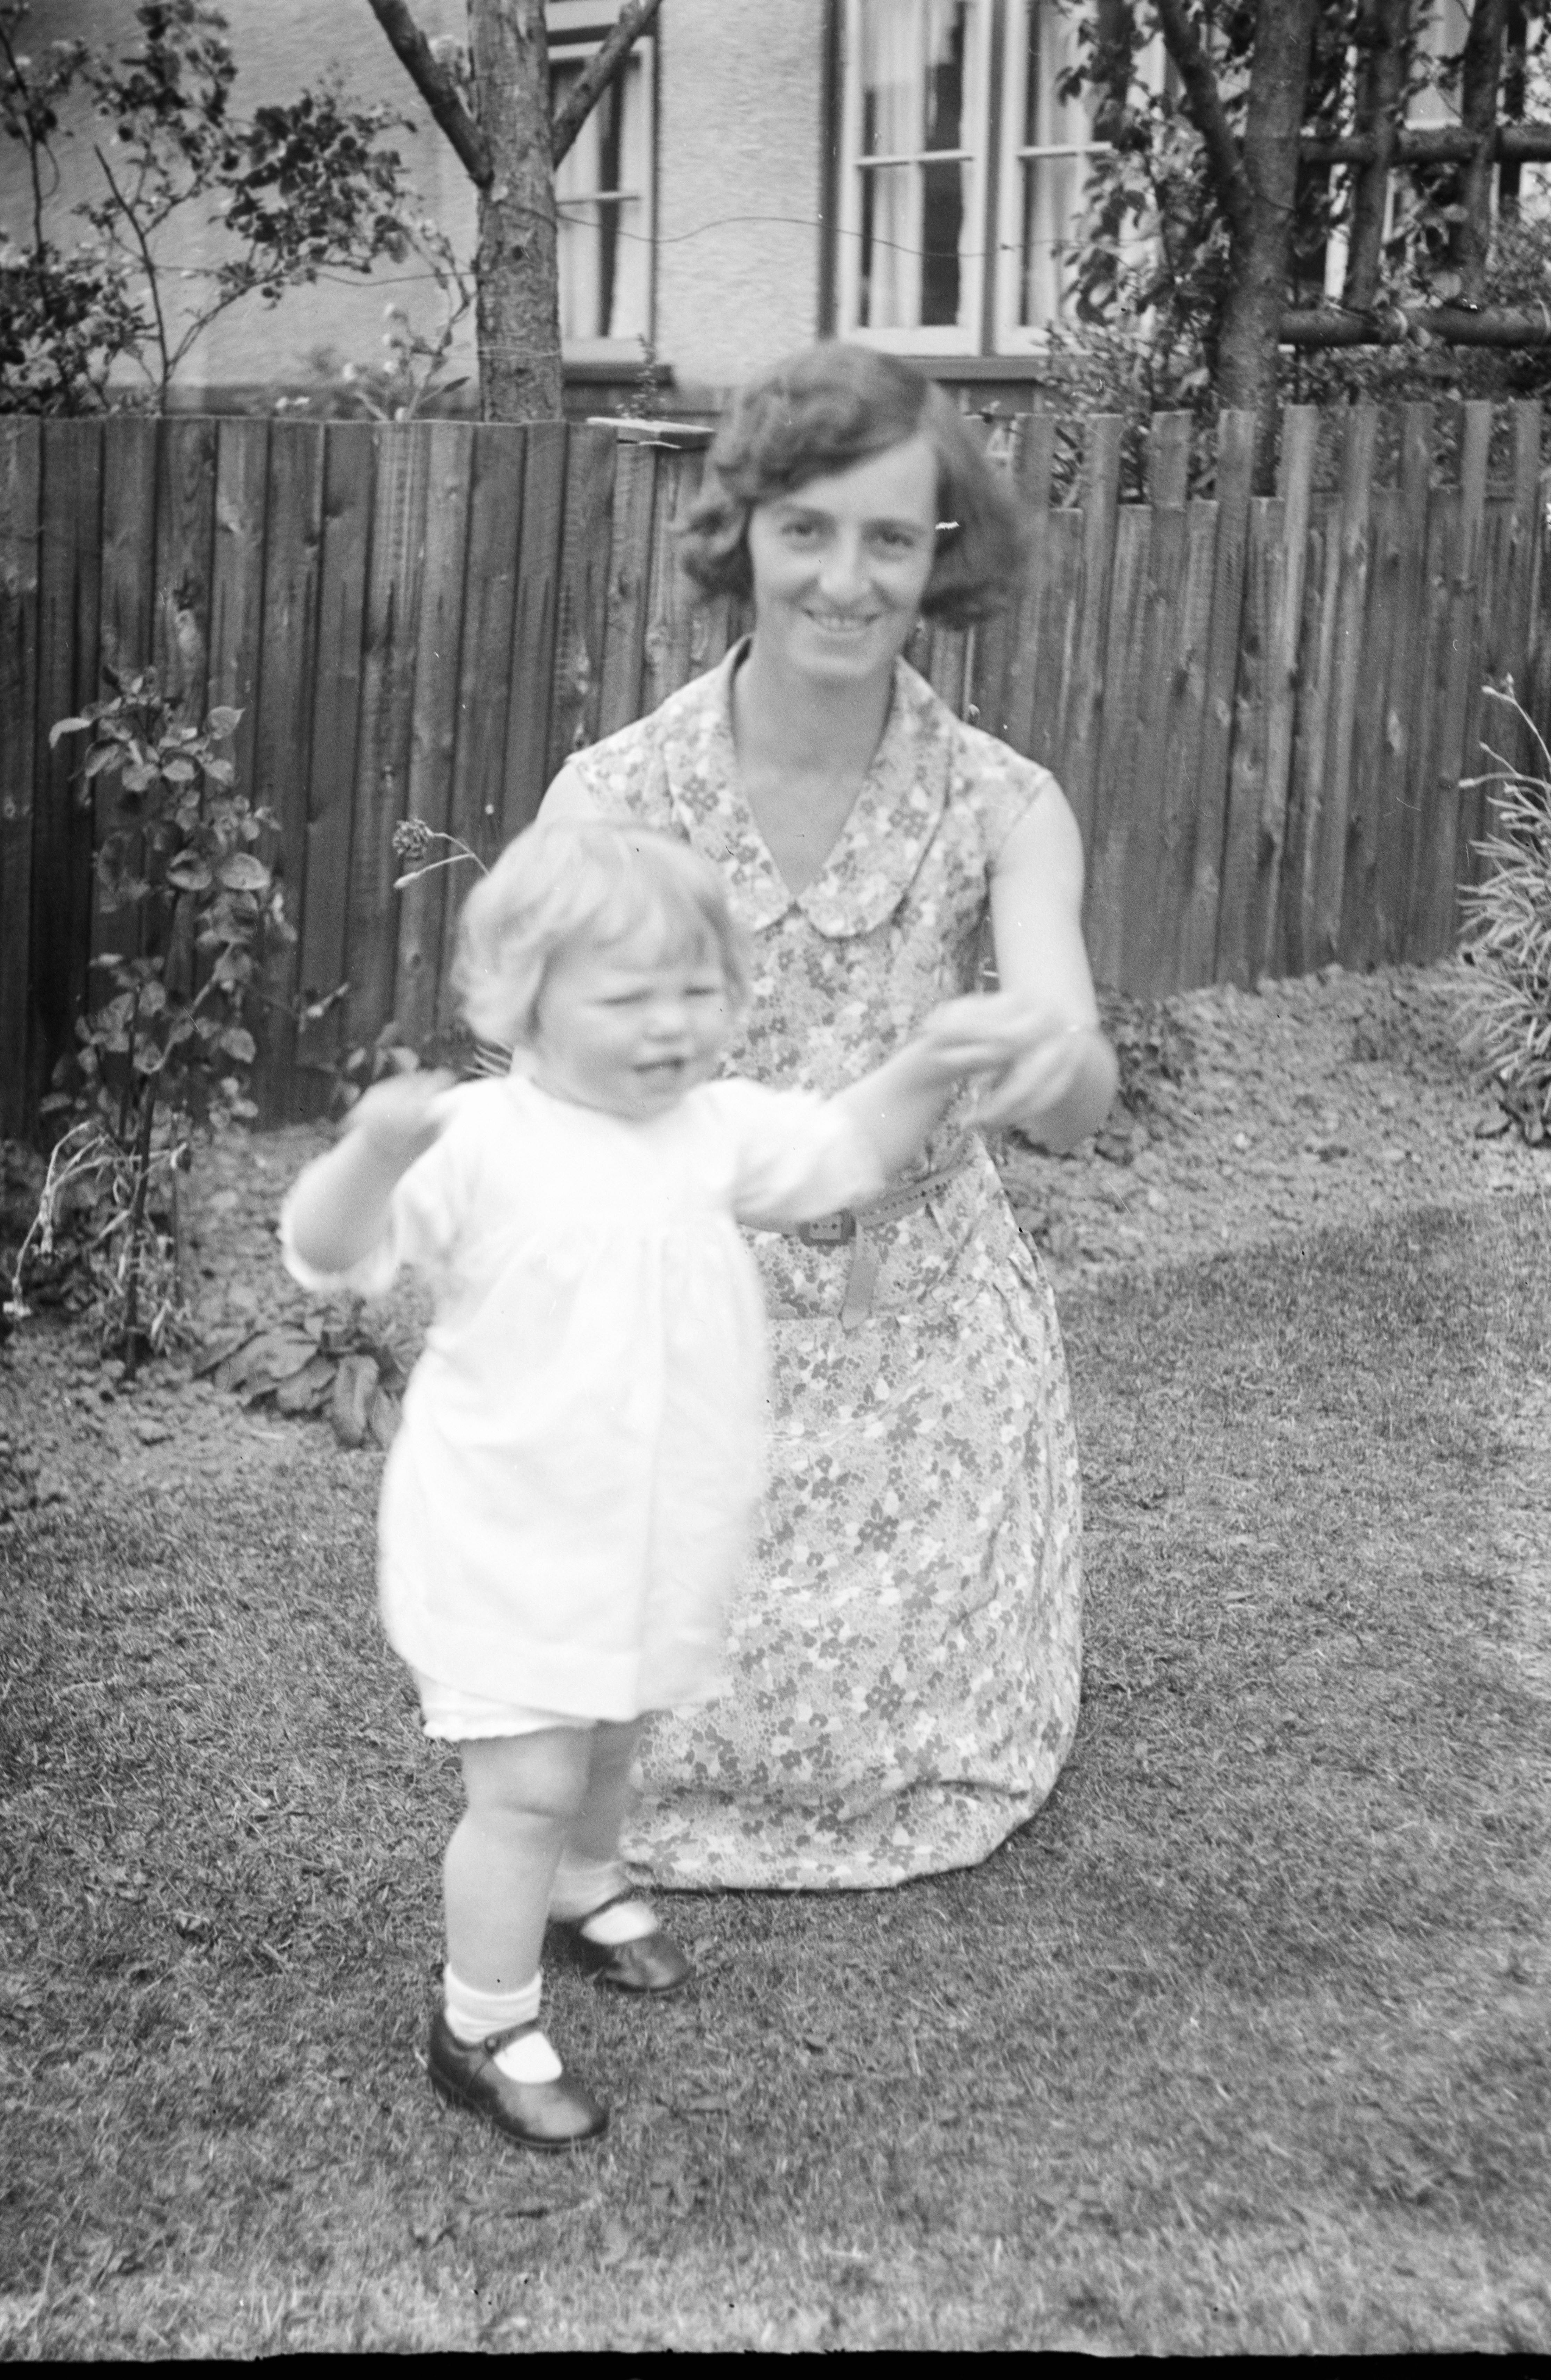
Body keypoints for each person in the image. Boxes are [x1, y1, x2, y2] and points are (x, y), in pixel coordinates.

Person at [278, 817, 1007, 2149]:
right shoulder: (482, 1142)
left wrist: (929, 1061)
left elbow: (842, 1154)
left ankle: (585, 1885)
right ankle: (482, 2022)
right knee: (530, 1779)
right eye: (628, 997)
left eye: (699, 992)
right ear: (525, 1001)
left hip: (646, 1524)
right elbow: (327, 1253)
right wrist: (374, 1155)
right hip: (510, 1532)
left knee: (615, 1730)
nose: (672, 1025)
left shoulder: (707, 1129)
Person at [532, 340, 1118, 1892]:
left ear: (944, 550)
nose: (845, 580)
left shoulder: (1006, 805)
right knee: (628, 1724)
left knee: (892, 1740)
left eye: (888, 537)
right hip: (683, 1333)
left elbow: (1075, 1077)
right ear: (744, 535)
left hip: (919, 1340)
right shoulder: (613, 796)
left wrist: (1046, 1060)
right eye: (808, 530)